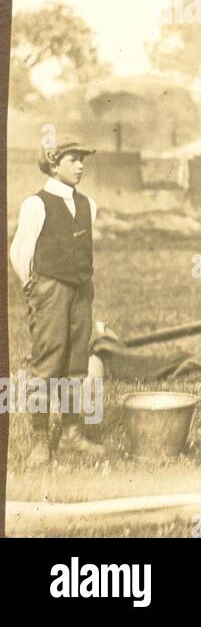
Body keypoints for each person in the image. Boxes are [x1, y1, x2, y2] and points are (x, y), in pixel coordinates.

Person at [10, 139, 106, 466]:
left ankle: (72, 432)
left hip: (81, 289)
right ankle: (39, 439)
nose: (80, 166)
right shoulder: (36, 205)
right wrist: (35, 289)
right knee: (48, 361)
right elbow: (19, 253)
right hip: (50, 288)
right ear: (53, 165)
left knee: (77, 361)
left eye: (82, 160)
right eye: (72, 160)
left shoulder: (87, 204)